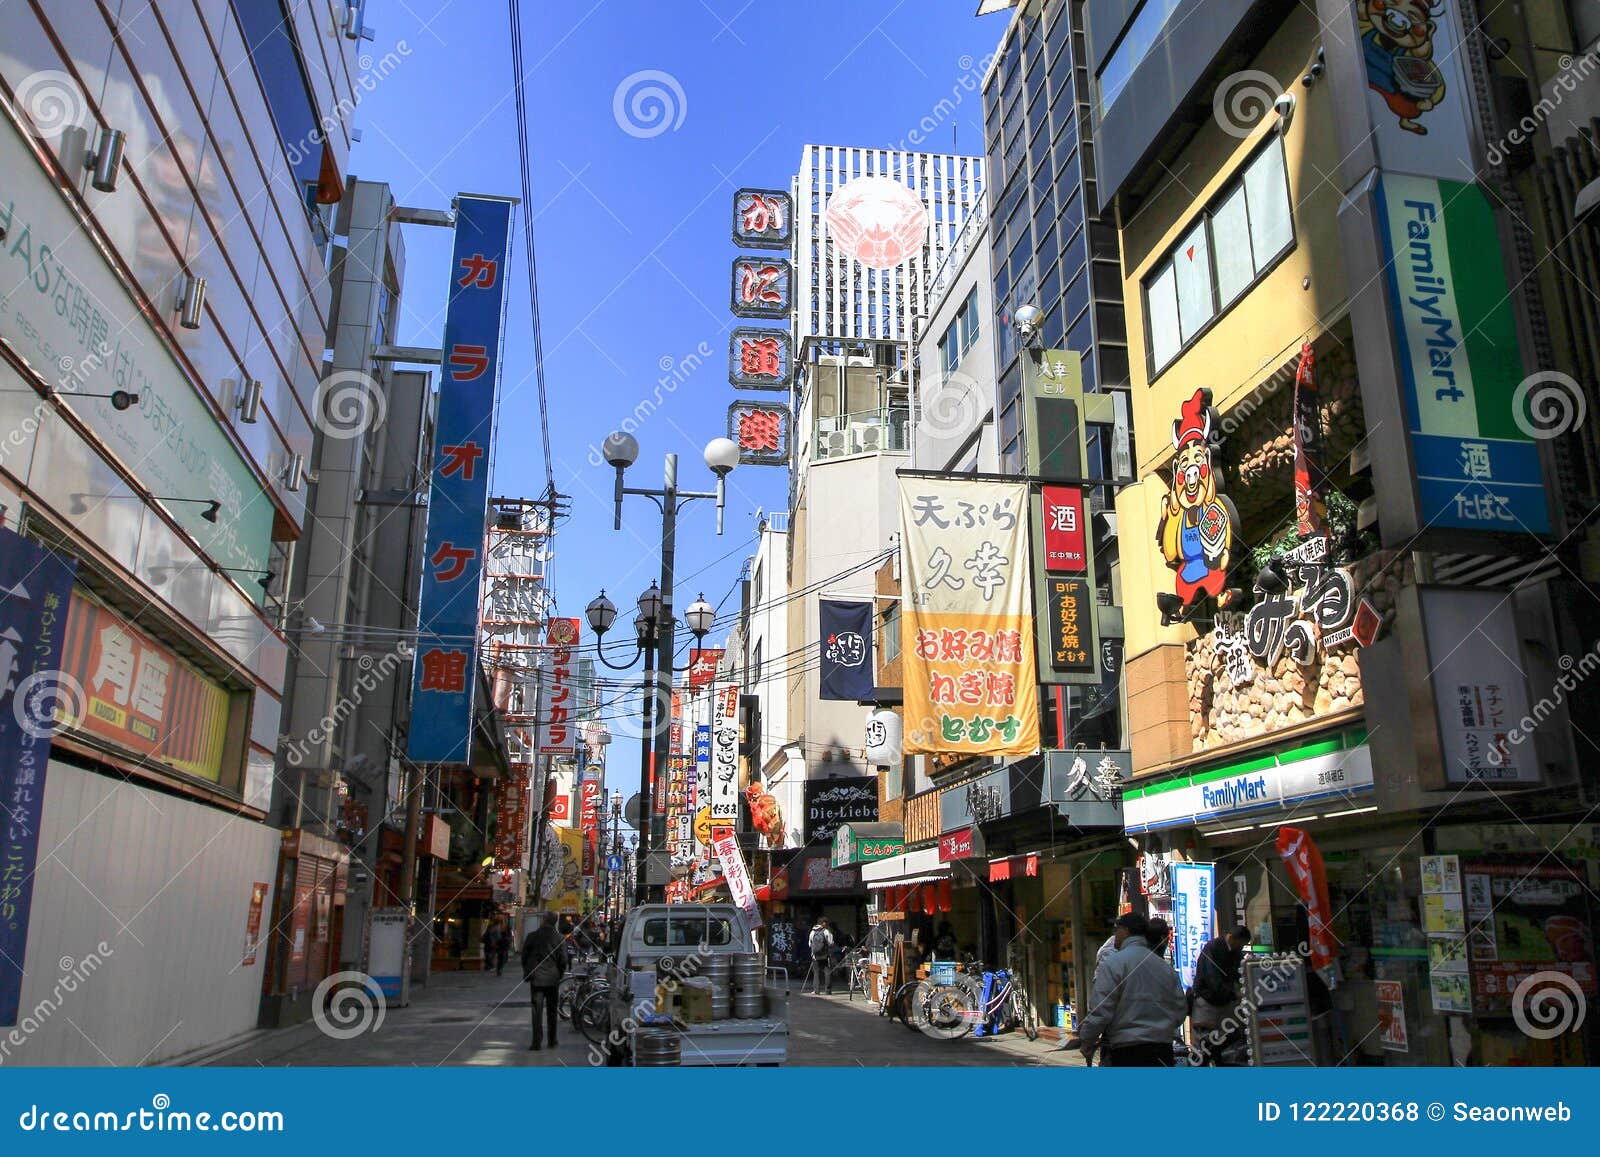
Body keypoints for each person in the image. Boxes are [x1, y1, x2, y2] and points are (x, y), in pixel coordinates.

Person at [1065, 913, 1188, 1066]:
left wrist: (1087, 1041)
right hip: (1162, 1050)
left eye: (1117, 929)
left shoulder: (1113, 964)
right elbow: (1180, 1009)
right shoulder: (1164, 968)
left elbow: (1100, 1010)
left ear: (1126, 931)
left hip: (1126, 1049)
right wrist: (1162, 1028)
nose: (1115, 935)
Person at [1190, 924, 1250, 1065]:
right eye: (1242, 944)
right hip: (1207, 1002)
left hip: (1224, 1002)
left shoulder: (1235, 951)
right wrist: (1234, 993)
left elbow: (1238, 973)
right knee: (1205, 1043)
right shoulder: (1213, 947)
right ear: (1232, 938)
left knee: (1224, 1042)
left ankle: (1219, 1063)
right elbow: (1213, 980)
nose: (1242, 947)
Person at [521, 914, 567, 1051]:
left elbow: (524, 957)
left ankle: (536, 1042)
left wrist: (528, 971)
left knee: (537, 1011)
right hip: (553, 978)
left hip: (536, 979)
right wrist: (559, 974)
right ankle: (552, 1040)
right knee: (552, 1010)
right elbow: (563, 960)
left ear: (544, 920)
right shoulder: (559, 938)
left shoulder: (532, 936)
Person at [805, 917, 836, 995]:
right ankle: (828, 991)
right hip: (825, 955)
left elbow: (810, 944)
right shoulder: (826, 931)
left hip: (815, 956)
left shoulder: (812, 932)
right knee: (827, 972)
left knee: (816, 973)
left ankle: (816, 990)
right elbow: (831, 943)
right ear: (824, 923)